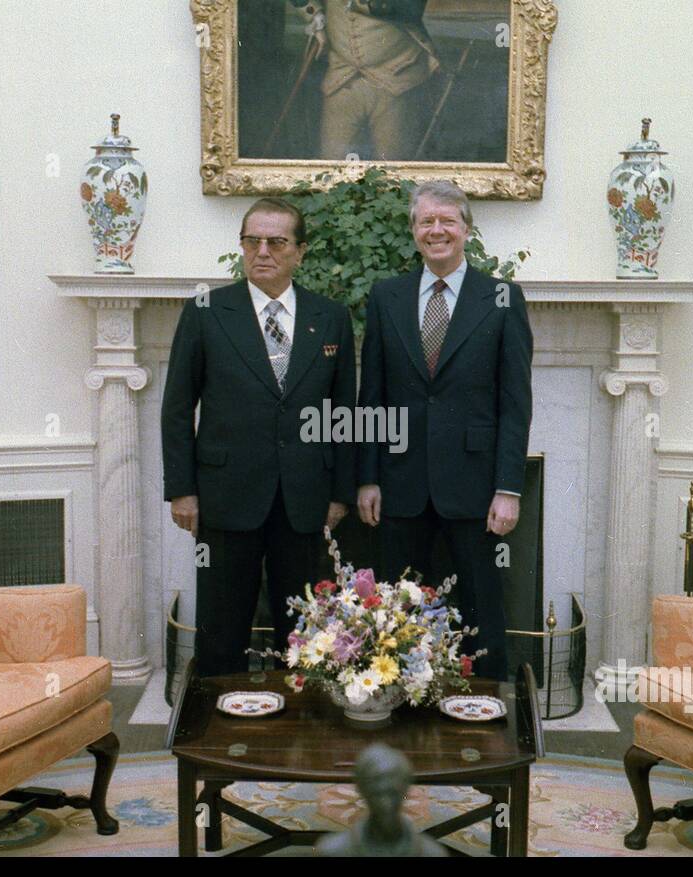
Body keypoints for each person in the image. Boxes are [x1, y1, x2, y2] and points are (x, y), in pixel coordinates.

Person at [162, 198, 356, 676]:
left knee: (305, 630)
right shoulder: (206, 312)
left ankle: (298, 733)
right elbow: (177, 408)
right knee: (222, 629)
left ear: (300, 251)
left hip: (304, 500)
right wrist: (182, 491)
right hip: (225, 499)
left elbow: (344, 413)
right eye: (252, 240)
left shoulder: (330, 317)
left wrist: (340, 492)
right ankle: (216, 738)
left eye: (276, 241)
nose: (262, 251)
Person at [356, 180, 533, 681]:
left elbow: (515, 403)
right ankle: (396, 697)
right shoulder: (386, 297)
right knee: (395, 608)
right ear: (413, 232)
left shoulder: (502, 298)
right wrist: (368, 477)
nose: (437, 230)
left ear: (466, 230)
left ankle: (489, 706)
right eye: (426, 221)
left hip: (476, 487)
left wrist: (508, 488)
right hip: (399, 483)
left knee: (480, 604)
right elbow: (372, 395)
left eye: (447, 221)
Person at [288, 0, 438, 160]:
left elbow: (409, 8)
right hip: (342, 75)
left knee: (393, 164)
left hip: (396, 74)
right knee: (332, 163)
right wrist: (314, 13)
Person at [316, 744, 448, 857]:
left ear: (406, 790)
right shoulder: (332, 851)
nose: (386, 804)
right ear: (362, 791)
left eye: (393, 793)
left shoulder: (432, 853)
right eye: (377, 794)